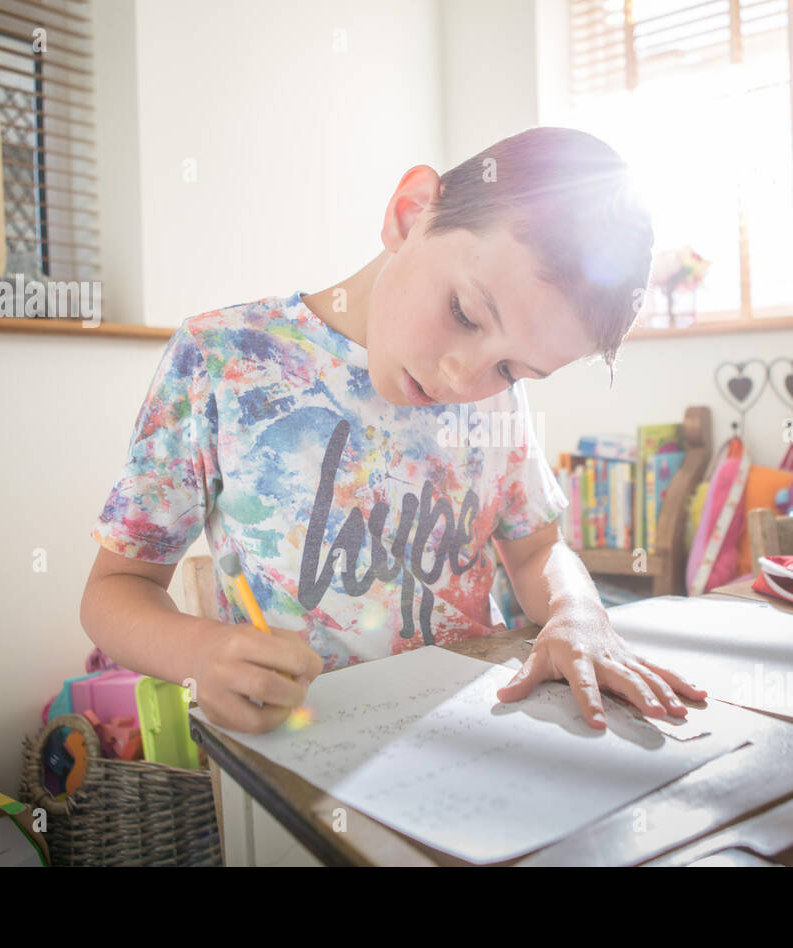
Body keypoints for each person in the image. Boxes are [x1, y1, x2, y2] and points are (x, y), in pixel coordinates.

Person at [80, 126, 706, 735]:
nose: (463, 377)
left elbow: (537, 550)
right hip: (305, 744)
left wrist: (578, 613)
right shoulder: (222, 360)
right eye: (464, 313)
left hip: (477, 729)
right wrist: (200, 654)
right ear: (409, 214)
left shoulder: (496, 402)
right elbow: (116, 589)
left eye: (513, 368)